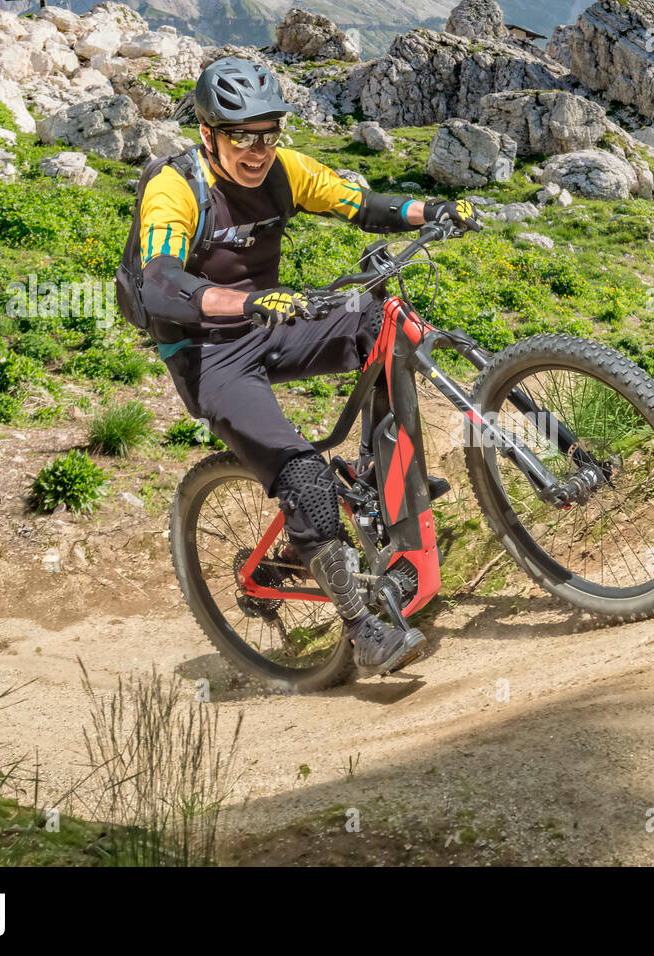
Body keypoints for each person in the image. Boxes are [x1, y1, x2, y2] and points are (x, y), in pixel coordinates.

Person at [136, 57, 478, 676]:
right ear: (209, 135)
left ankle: (384, 476)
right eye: (241, 135)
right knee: (305, 478)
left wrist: (431, 212)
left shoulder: (285, 170)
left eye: (268, 134)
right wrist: (245, 302)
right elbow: (159, 283)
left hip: (268, 322)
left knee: (381, 322)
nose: (258, 149)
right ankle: (365, 631)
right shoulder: (174, 187)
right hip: (206, 353)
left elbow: (363, 204)